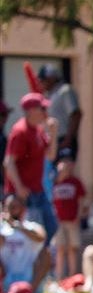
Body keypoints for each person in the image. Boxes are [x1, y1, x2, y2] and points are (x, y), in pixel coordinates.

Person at [4, 93, 58, 242]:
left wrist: (53, 134)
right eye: (42, 108)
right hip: (23, 194)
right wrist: (19, 187)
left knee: (50, 228)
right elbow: (9, 162)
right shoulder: (20, 131)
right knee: (28, 234)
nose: (45, 112)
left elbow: (51, 156)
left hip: (37, 190)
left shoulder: (38, 130)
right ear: (31, 111)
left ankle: (38, 260)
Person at [1, 193, 51, 293]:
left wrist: (17, 226)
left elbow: (41, 238)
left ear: (23, 208)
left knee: (45, 253)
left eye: (15, 207)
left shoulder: (32, 226)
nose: (11, 210)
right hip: (7, 277)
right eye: (9, 207)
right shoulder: (2, 229)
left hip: (29, 278)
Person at [50, 149, 86, 280]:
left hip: (72, 219)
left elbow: (81, 200)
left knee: (72, 248)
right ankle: (59, 276)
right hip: (58, 220)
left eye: (69, 162)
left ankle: (72, 275)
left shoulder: (76, 182)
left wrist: (79, 215)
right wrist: (61, 175)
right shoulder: (55, 181)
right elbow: (50, 196)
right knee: (60, 248)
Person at [37, 64, 82, 152]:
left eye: (43, 80)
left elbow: (76, 115)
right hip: (51, 140)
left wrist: (68, 139)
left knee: (63, 165)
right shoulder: (49, 95)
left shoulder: (65, 90)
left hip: (63, 139)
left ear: (51, 78)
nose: (41, 83)